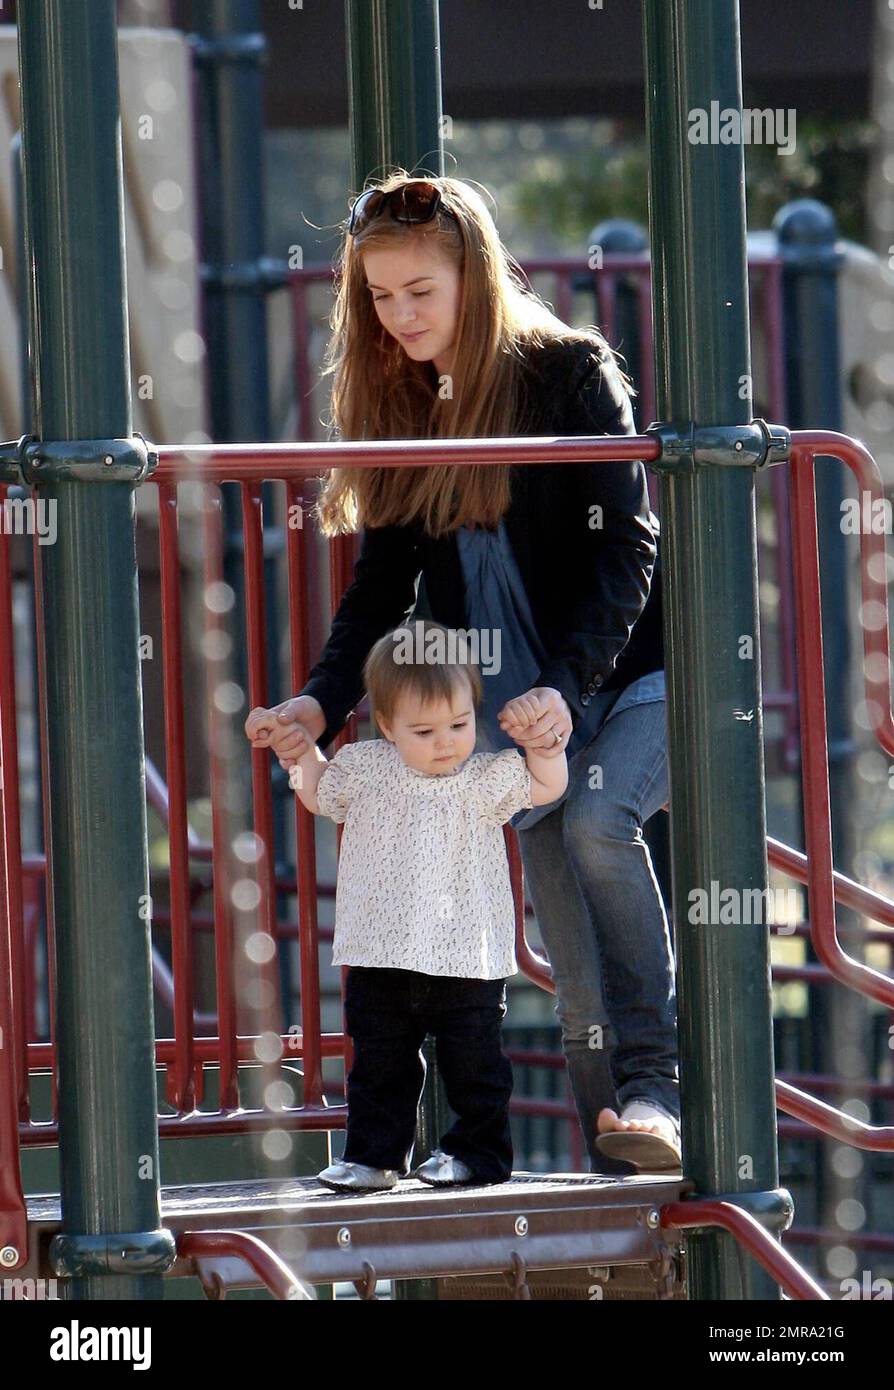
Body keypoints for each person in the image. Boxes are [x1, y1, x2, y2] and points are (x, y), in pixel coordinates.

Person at [245, 171, 680, 1173]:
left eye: (419, 293)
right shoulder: (404, 403)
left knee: (594, 818)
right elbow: (383, 581)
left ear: (473, 280)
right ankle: (615, 1143)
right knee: (540, 862)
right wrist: (321, 695)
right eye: (379, 296)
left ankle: (655, 1090)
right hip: (518, 702)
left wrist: (567, 694)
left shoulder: (567, 373)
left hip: (627, 673)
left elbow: (627, 548)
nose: (398, 315)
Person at [267, 621, 567, 1190]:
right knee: (380, 1062)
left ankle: (479, 1155)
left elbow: (546, 788)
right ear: (386, 726)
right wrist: (298, 749)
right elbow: (318, 791)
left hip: (467, 954)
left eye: (459, 723)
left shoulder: (485, 774)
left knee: (474, 1064)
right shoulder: (364, 767)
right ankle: (374, 1156)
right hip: (381, 949)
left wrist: (544, 748)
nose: (446, 741)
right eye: (424, 730)